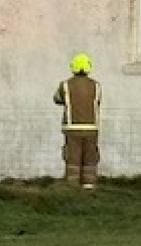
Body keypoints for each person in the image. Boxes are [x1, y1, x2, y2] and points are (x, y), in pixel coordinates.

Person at [53, 53, 102, 189]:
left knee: (73, 158)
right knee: (90, 159)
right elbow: (97, 102)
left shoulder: (65, 85)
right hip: (92, 129)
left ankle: (72, 188)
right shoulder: (96, 86)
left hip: (72, 128)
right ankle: (89, 186)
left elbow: (57, 99)